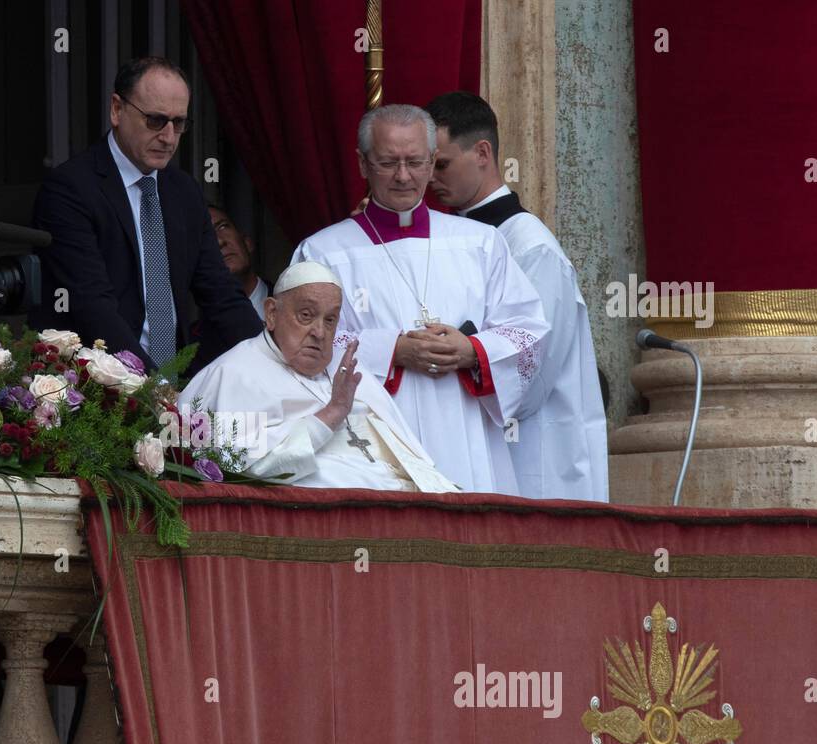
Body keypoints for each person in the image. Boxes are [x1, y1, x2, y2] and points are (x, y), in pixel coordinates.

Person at [291, 104, 548, 494]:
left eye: (415, 162)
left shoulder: (480, 243)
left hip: (466, 434)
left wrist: (472, 350)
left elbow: (529, 332)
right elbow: (300, 346)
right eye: (387, 162)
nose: (403, 176)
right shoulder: (324, 252)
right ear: (362, 164)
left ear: (431, 163)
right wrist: (392, 350)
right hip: (372, 441)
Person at [428, 91, 608, 501]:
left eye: (441, 165)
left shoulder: (530, 248)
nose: (429, 179)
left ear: (482, 152)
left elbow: (532, 370)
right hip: (477, 448)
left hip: (534, 455)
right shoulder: (447, 242)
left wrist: (466, 350)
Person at [30, 56, 262, 375]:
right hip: (94, 388)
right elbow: (92, 307)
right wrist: (154, 390)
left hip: (172, 380)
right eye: (155, 120)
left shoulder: (184, 192)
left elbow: (221, 292)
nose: (168, 137)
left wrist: (273, 362)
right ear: (116, 109)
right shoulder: (69, 189)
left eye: (178, 123)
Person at [180, 261, 459, 493]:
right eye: (306, 315)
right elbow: (243, 467)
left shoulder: (348, 367)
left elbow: (408, 454)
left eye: (330, 319)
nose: (320, 332)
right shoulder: (233, 373)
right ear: (272, 313)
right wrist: (331, 414)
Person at [208, 204, 270, 320]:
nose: (219, 241)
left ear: (247, 242)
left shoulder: (298, 306)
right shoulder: (193, 336)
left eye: (222, 227)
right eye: (205, 236)